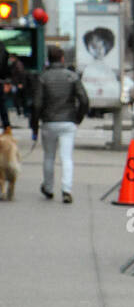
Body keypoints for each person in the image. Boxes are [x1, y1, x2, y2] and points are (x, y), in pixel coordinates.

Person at [30, 44, 89, 204]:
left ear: (49, 59)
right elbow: (84, 100)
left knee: (49, 157)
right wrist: (78, 118)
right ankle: (66, 190)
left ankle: (48, 188)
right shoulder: (72, 76)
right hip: (68, 121)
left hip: (49, 122)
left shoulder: (43, 77)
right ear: (62, 59)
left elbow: (36, 104)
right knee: (67, 157)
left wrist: (35, 126)